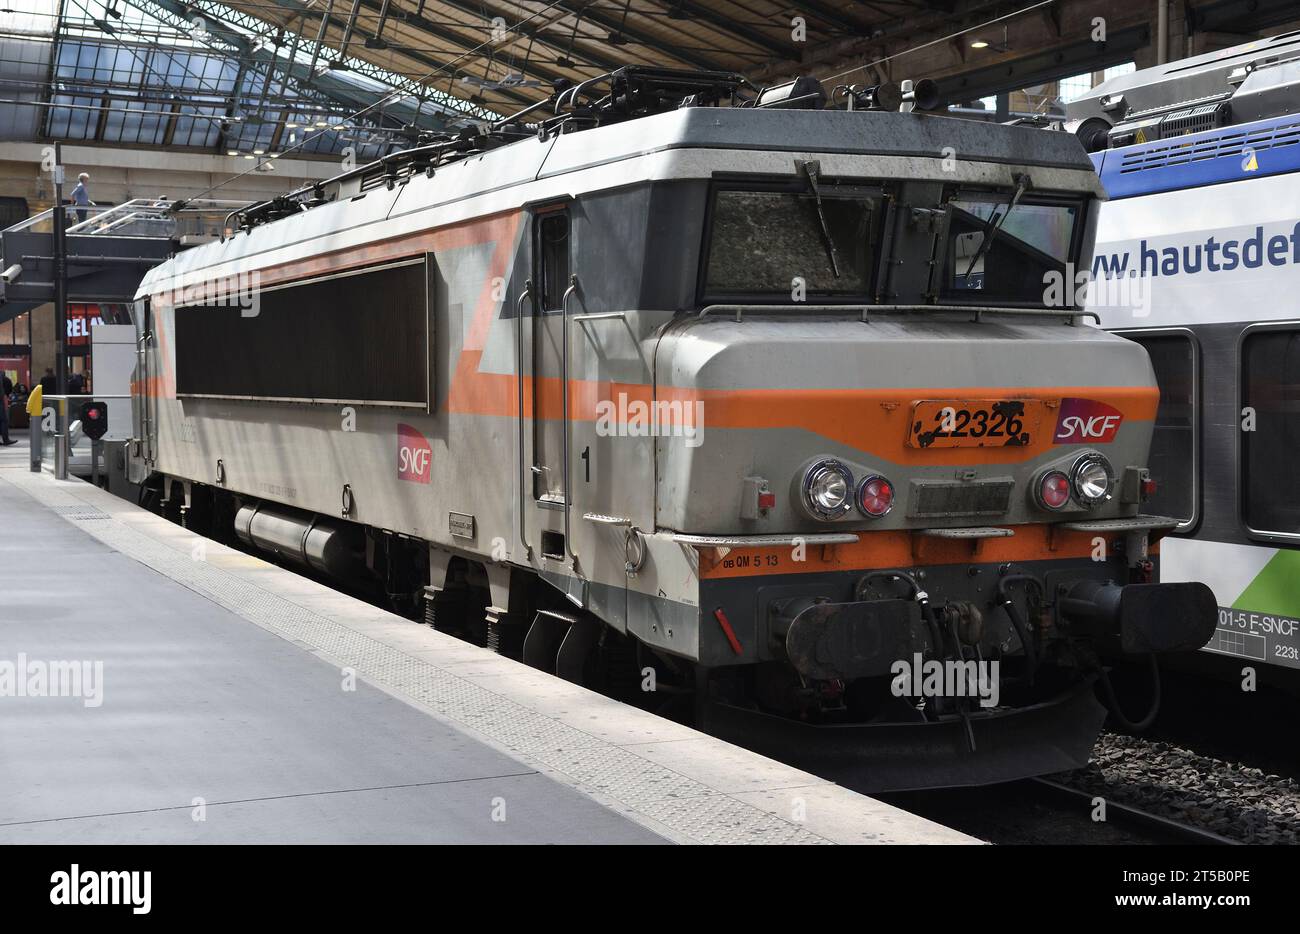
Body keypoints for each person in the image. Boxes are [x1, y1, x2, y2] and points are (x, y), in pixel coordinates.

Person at [0, 372, 13, 445]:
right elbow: (9, 388)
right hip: (1, 400)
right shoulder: (4, 378)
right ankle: (6, 440)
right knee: (3, 420)